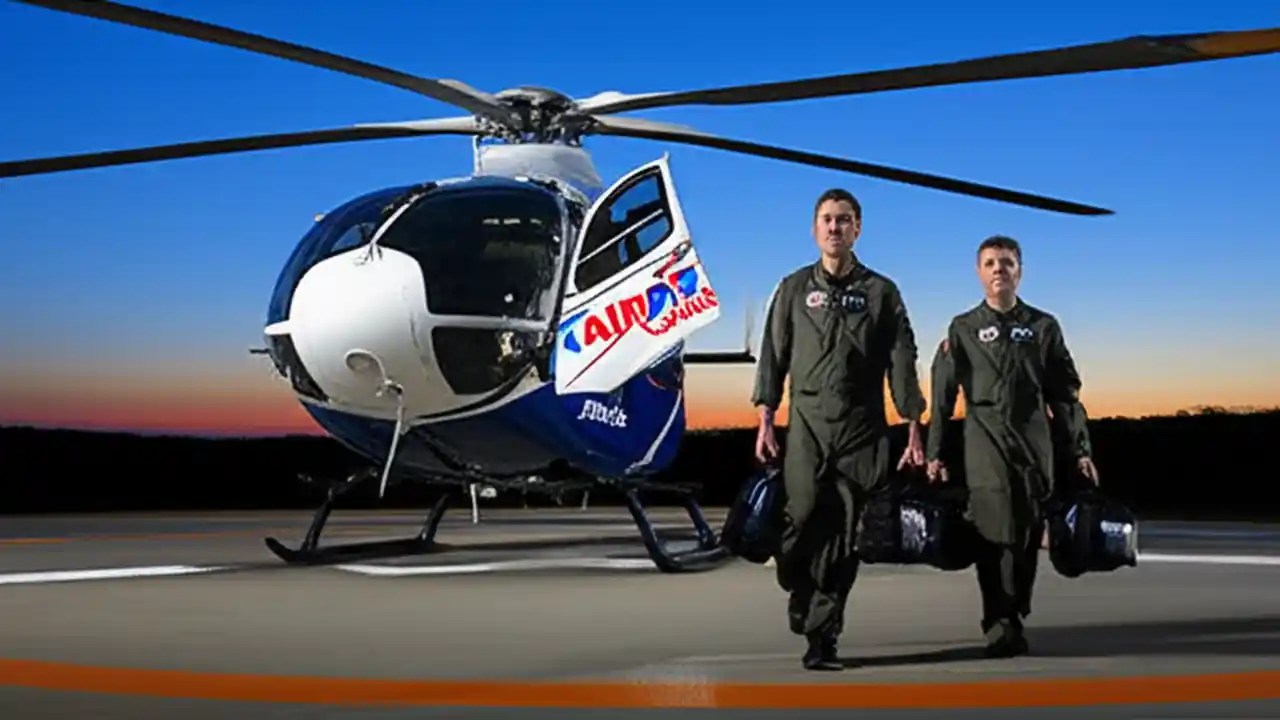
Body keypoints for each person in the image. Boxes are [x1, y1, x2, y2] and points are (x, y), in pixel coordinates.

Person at [751, 187, 927, 671]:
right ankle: (798, 588)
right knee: (801, 520)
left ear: (858, 229)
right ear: (814, 229)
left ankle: (822, 638)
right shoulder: (792, 288)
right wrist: (766, 416)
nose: (835, 227)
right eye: (827, 219)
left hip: (861, 429)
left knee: (847, 536)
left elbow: (902, 359)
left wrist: (913, 423)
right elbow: (774, 354)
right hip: (806, 426)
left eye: (844, 219)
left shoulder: (881, 293)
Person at [925, 234, 1099, 658]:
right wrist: (934, 452)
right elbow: (943, 398)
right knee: (993, 532)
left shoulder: (1044, 327)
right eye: (989, 263)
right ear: (978, 272)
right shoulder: (962, 328)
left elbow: (1066, 395)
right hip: (984, 442)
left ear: (1020, 271)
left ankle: (1015, 608)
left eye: (1006, 262)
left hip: (1034, 443)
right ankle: (998, 622)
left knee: (1025, 532)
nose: (998, 269)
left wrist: (1080, 449)